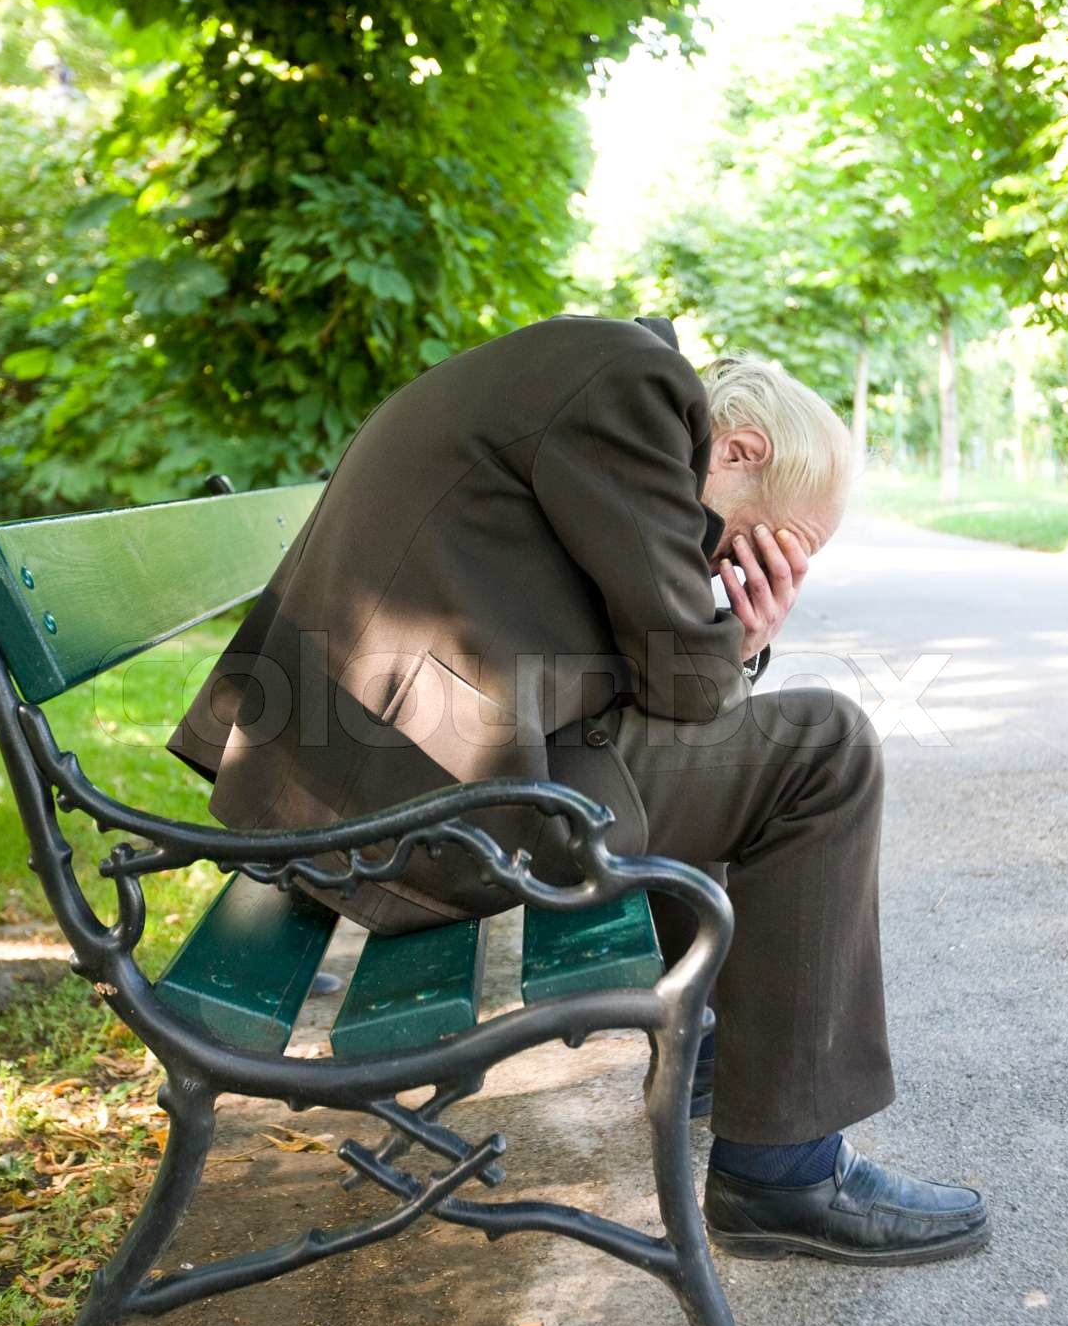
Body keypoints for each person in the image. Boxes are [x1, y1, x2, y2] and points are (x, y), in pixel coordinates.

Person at [168, 314, 989, 1265]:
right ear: (739, 448)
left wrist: (724, 650)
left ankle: (717, 1049)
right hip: (424, 814)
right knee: (825, 745)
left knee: (745, 743)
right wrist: (748, 638)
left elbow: (653, 670)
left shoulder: (585, 385)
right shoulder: (636, 389)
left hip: (371, 790)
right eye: (744, 550)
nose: (718, 568)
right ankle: (784, 1170)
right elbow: (684, 672)